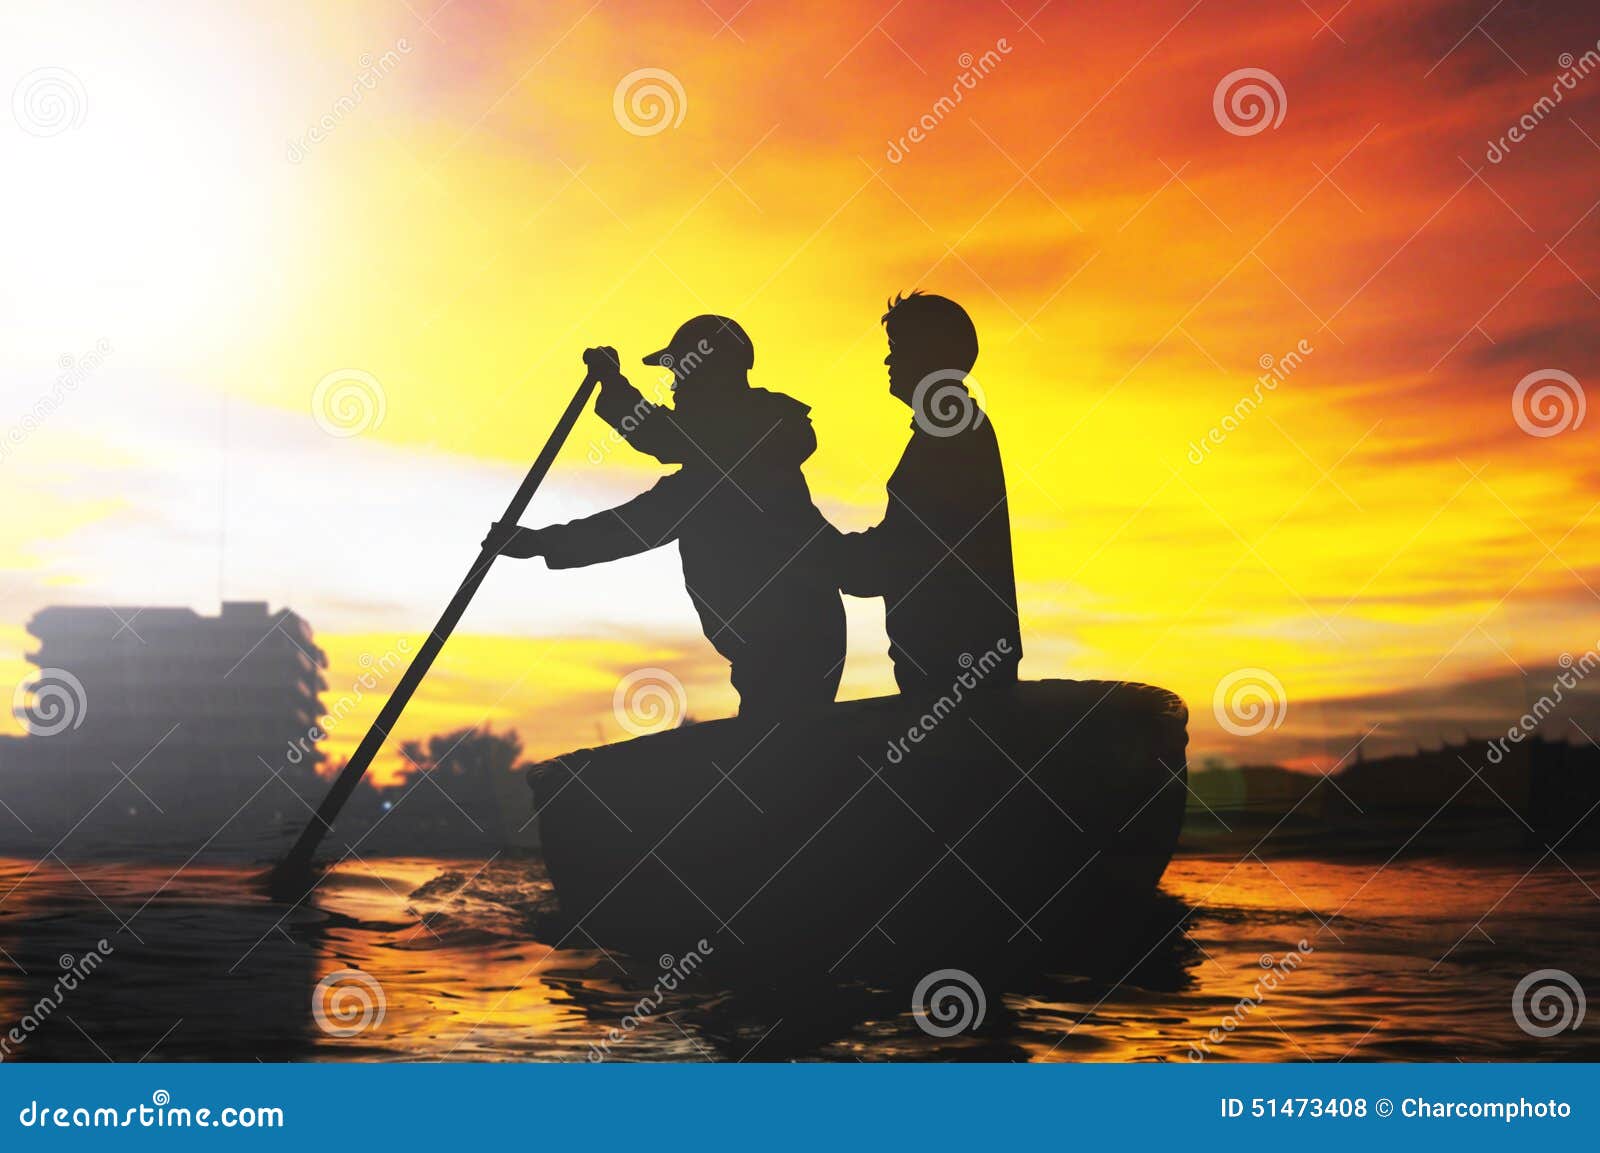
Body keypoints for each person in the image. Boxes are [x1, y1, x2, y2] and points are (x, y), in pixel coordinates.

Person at [484, 316, 845, 718]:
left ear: (710, 378)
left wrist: (540, 543)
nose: (674, 389)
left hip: (786, 641)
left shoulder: (735, 464)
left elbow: (640, 507)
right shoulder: (740, 449)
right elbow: (665, 445)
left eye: (680, 376)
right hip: (783, 640)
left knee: (776, 739)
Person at [825, 292, 1021, 694]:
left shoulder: (951, 437)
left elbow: (908, 550)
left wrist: (823, 555)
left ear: (927, 355)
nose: (888, 360)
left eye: (898, 348)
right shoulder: (952, 430)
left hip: (955, 669)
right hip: (956, 664)